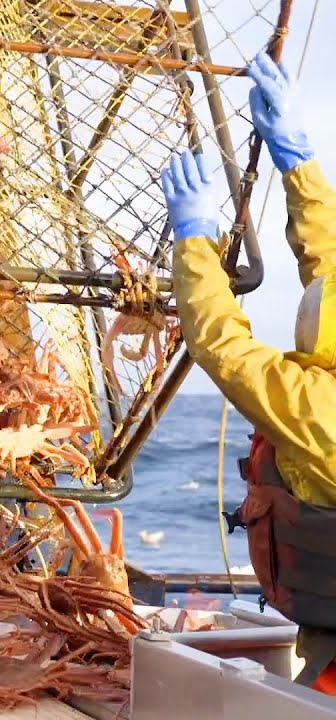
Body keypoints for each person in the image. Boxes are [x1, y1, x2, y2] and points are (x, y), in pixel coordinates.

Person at [162, 51, 336, 694]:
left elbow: (222, 347)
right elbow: (330, 259)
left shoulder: (323, 410)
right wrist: (298, 159)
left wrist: (194, 238)